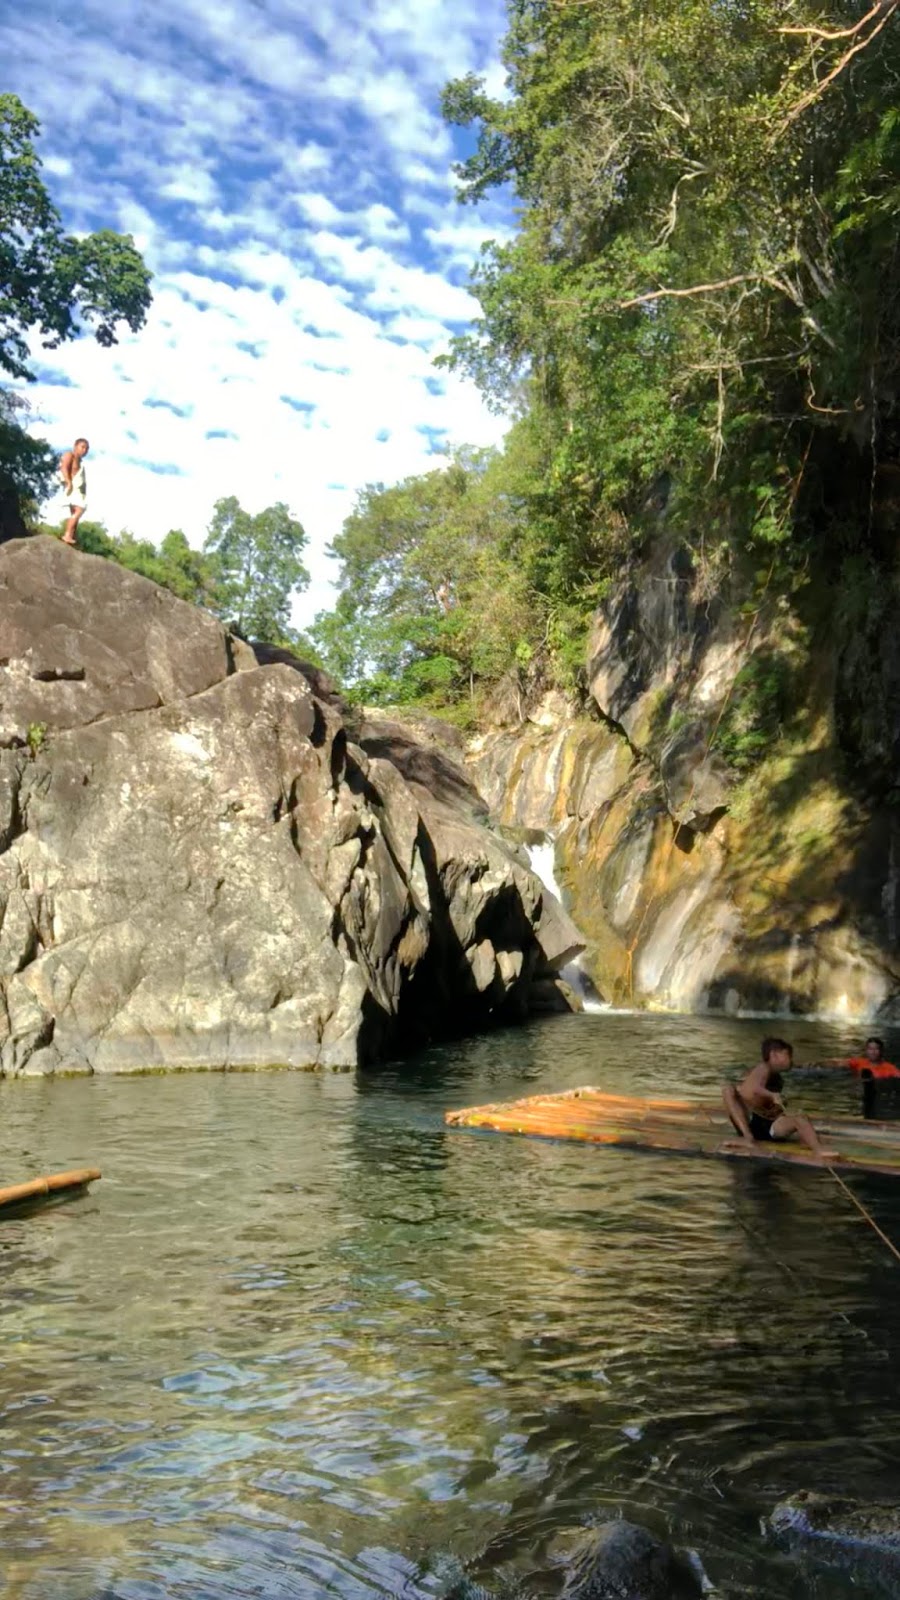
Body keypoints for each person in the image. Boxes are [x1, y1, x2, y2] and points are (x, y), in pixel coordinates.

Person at [721, 1036, 838, 1161]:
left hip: (769, 1126)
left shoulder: (777, 1078)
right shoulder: (763, 1068)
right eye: (788, 1055)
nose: (791, 1060)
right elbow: (754, 1088)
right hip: (750, 1121)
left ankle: (817, 1148)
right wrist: (771, 1095)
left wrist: (779, 1102)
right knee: (728, 1089)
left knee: (801, 1119)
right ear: (774, 1055)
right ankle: (747, 1138)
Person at [808, 1037, 900, 1079]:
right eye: (870, 1049)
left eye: (876, 1049)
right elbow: (838, 1063)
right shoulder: (859, 1062)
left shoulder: (890, 1068)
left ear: (881, 1051)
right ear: (866, 1051)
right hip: (858, 1088)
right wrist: (819, 1063)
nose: (873, 1052)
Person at [59, 437, 89, 547]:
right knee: (80, 510)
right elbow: (63, 468)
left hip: (79, 491)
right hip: (72, 487)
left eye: (87, 449)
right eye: (82, 447)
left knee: (75, 513)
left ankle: (71, 536)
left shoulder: (80, 463)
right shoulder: (69, 455)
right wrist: (68, 482)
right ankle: (67, 535)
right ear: (75, 446)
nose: (84, 450)